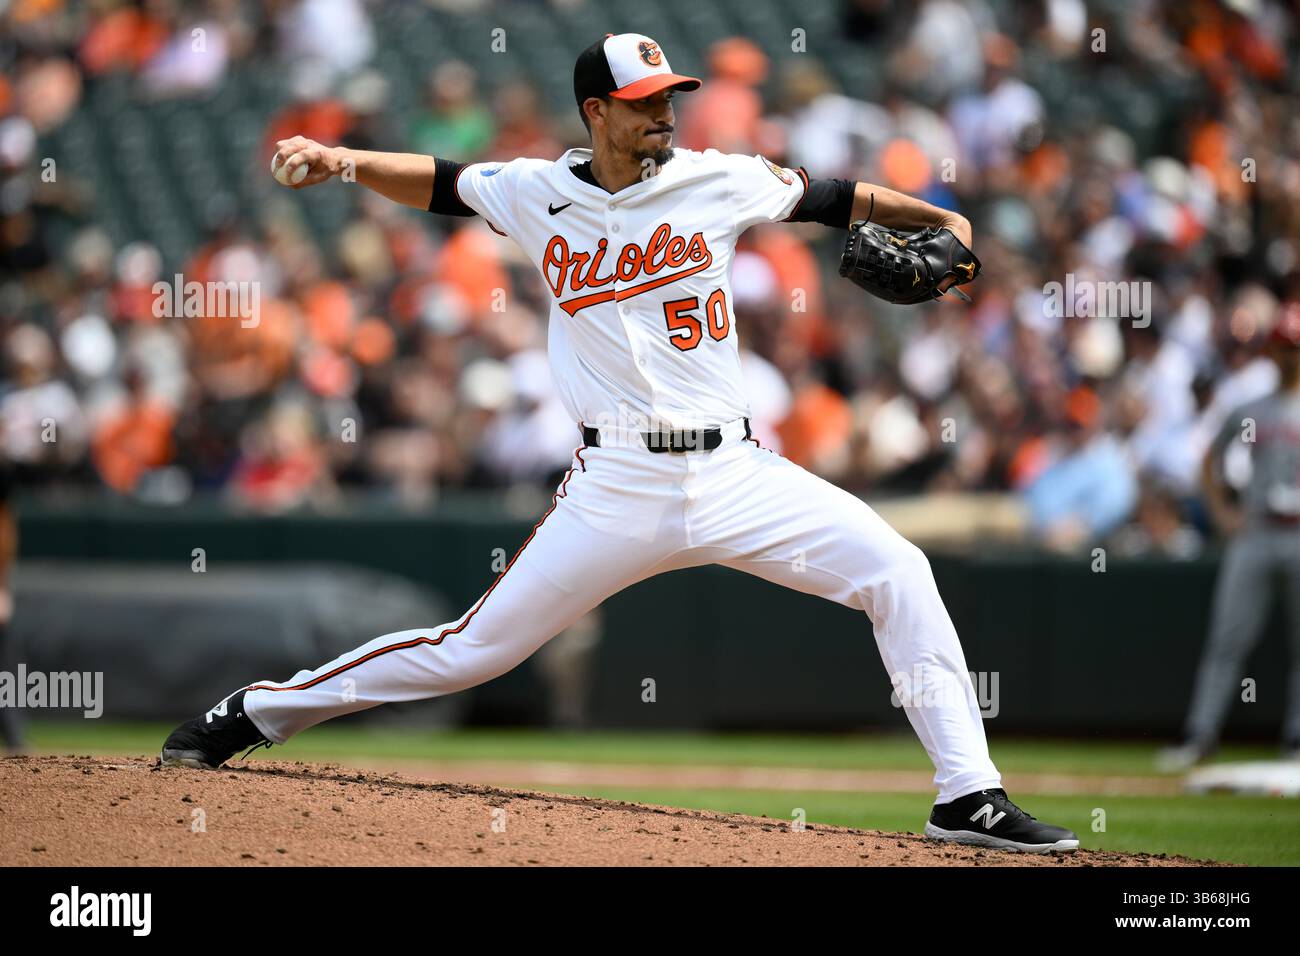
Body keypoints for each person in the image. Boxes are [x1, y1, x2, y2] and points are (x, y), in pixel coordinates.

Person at [161, 33, 1078, 853]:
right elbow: (444, 182)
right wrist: (346, 159)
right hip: (616, 482)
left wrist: (940, 219)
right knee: (470, 652)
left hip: (736, 471)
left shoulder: (717, 176)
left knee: (899, 571)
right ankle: (256, 713)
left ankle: (968, 796)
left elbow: (841, 199)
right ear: (597, 111)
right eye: (644, 105)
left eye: (668, 100)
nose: (663, 117)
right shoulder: (533, 192)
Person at [1159, 304, 1300, 771]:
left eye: (1294, 348)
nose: (1288, 357)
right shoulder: (1250, 407)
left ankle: (1296, 741)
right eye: (1283, 347)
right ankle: (1200, 736)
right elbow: (1208, 461)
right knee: (1227, 637)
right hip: (1257, 531)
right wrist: (1223, 513)